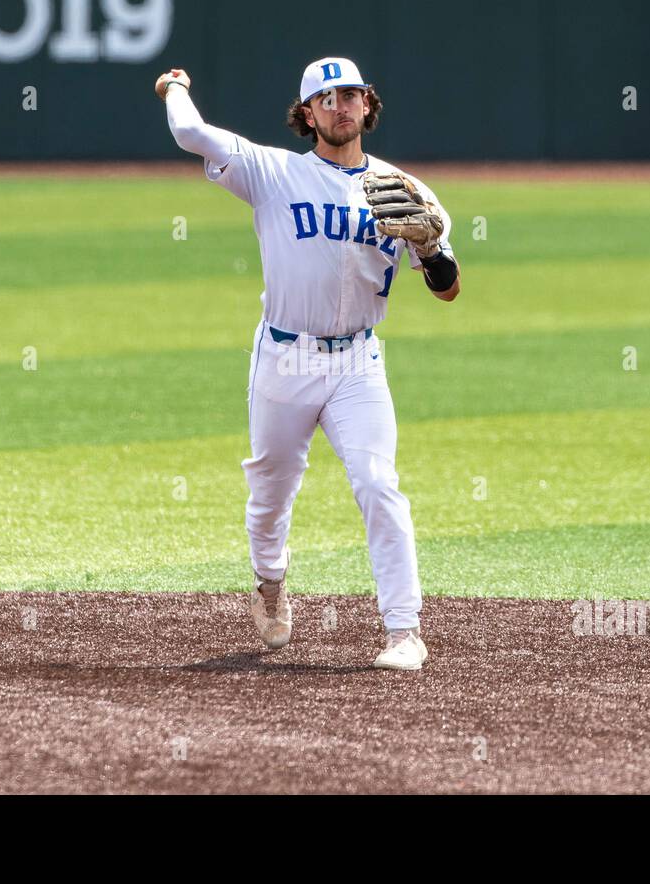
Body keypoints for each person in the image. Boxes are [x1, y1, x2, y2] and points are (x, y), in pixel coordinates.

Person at [155, 57, 461, 670]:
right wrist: (175, 88)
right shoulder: (273, 173)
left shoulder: (406, 189)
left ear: (367, 106)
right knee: (270, 488)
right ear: (308, 113)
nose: (340, 106)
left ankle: (404, 630)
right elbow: (191, 135)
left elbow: (448, 290)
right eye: (326, 98)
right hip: (285, 358)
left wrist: (429, 249)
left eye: (350, 95)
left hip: (358, 364)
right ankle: (270, 585)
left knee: (378, 484)